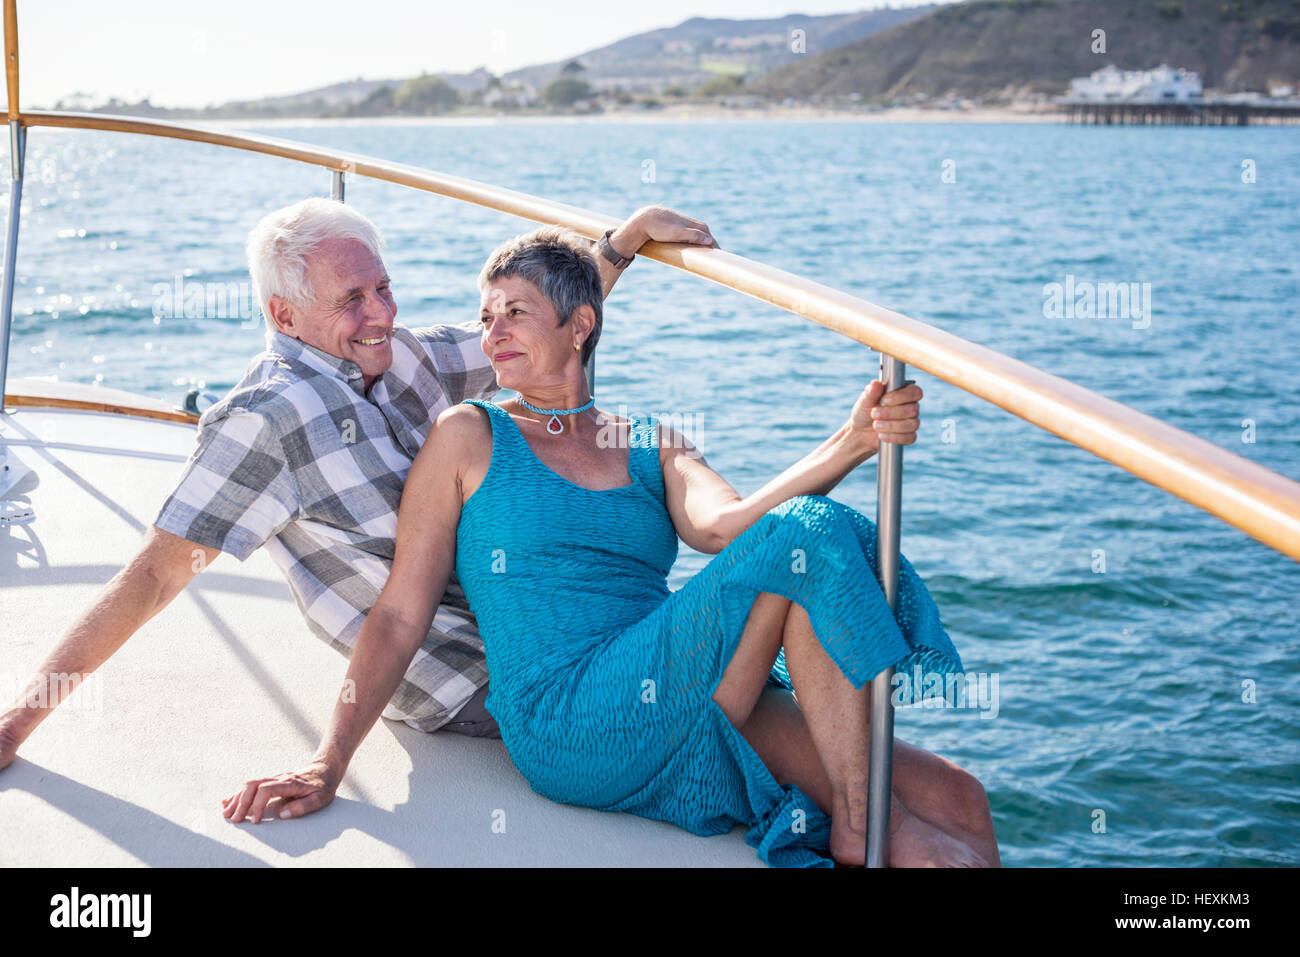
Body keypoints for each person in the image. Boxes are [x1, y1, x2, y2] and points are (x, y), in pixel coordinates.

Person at [224, 226, 1000, 868]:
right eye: (485, 316)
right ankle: (862, 826)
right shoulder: (469, 435)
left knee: (959, 795)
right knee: (809, 538)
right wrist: (330, 761)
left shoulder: (647, 441)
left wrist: (851, 442)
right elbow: (398, 612)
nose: (490, 334)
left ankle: (863, 818)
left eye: (514, 313)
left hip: (678, 682)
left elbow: (729, 528)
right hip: (570, 717)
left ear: (580, 326)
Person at [0, 198, 718, 767]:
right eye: (352, 299)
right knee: (738, 682)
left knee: (757, 651)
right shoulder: (267, 419)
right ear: (283, 315)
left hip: (557, 625)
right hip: (480, 679)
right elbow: (154, 576)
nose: (380, 313)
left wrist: (622, 243)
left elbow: (534, 330)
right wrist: (17, 722)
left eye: (384, 288)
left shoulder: (397, 356)